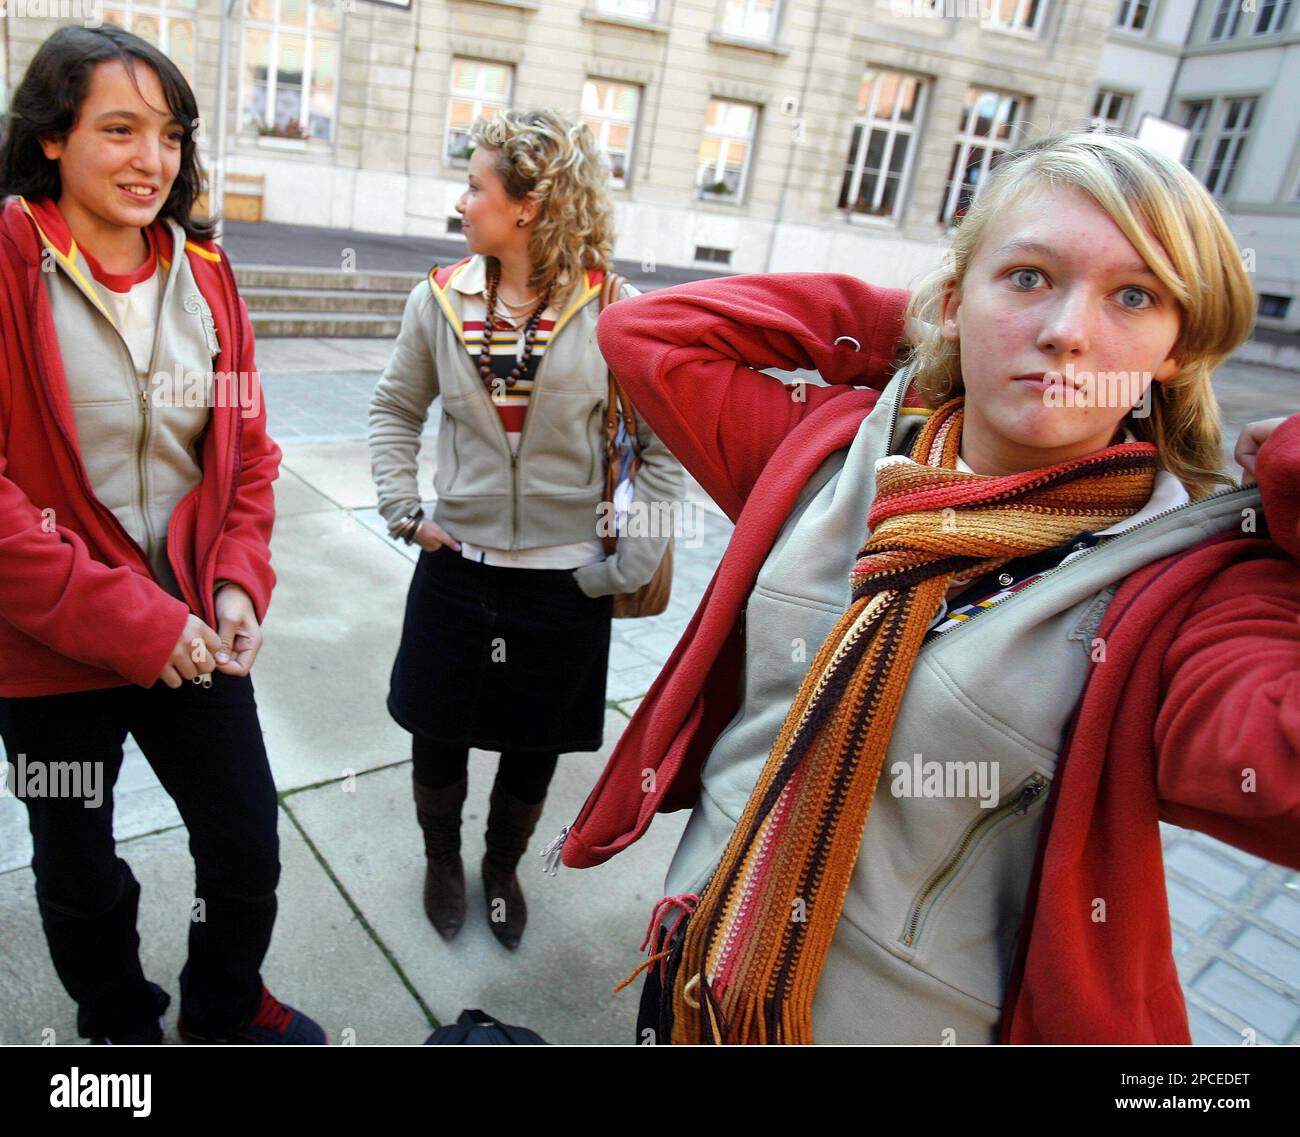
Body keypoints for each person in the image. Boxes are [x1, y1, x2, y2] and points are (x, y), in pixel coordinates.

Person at [562, 129, 1300, 1043]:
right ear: (956, 299)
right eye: (1027, 277)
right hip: (691, 964)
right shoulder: (836, 454)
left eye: (1133, 295)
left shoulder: (1185, 588)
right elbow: (647, 333)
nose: (1067, 330)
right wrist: (928, 336)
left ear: (1175, 351)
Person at [0, 26, 324, 1044]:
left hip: (195, 630)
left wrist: (235, 583)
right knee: (79, 866)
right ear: (52, 137)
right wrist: (131, 619)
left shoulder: (209, 275)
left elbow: (248, 458)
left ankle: (225, 1010)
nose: (154, 160)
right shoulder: (8, 270)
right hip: (47, 652)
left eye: (173, 135)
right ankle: (118, 1025)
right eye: (120, 129)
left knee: (246, 849)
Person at [368, 109, 682, 951]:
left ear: (531, 205)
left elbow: (661, 450)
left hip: (564, 583)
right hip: (456, 567)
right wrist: (404, 508)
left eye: (477, 184)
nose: (462, 200)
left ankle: (500, 867)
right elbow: (395, 410)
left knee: (533, 747)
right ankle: (443, 861)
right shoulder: (438, 298)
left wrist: (631, 561)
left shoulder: (619, 312)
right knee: (436, 732)